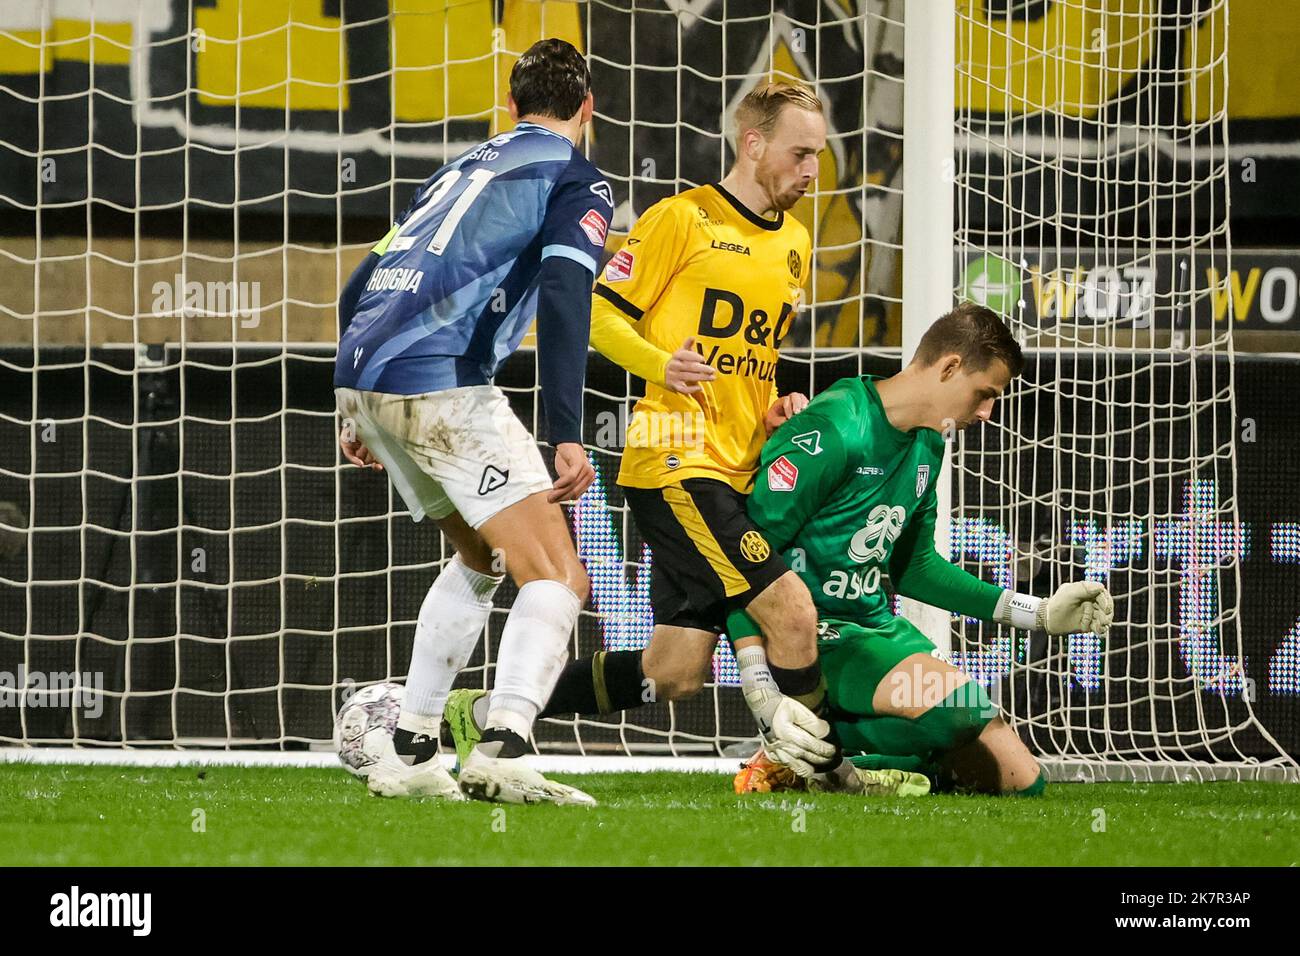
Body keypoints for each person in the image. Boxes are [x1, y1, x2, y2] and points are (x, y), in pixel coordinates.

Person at [333, 39, 610, 805]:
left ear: (512, 107)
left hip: (367, 375)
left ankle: (414, 751)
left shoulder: (458, 169)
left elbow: (359, 281)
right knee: (557, 572)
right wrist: (565, 431)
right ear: (587, 110)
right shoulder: (577, 177)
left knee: (480, 560)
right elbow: (564, 297)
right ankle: (506, 745)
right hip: (442, 380)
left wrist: (350, 402)